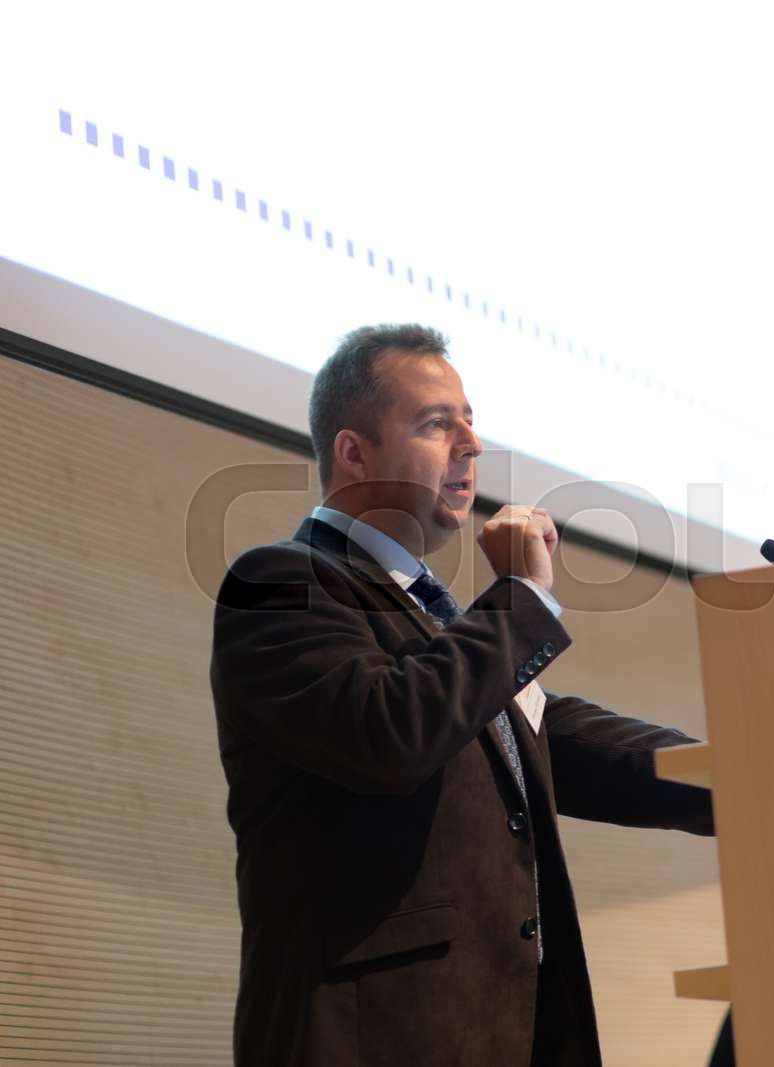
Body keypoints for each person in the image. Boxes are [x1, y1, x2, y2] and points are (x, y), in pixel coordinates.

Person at [210, 323, 714, 1066]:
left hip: (503, 1028)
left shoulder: (433, 616)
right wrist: (518, 600)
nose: (472, 445)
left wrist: (742, 778)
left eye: (470, 420)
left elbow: (551, 736)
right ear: (354, 452)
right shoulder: (281, 582)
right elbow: (389, 732)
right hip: (379, 1036)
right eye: (437, 423)